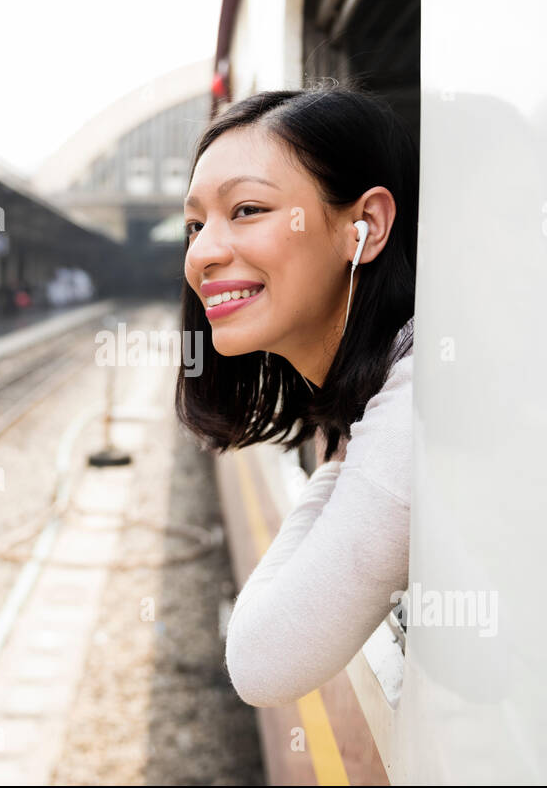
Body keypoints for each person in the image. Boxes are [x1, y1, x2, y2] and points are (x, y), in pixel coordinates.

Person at [176, 83, 418, 707]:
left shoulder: (422, 404)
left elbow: (262, 663)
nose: (202, 253)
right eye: (195, 225)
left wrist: (340, 457)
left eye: (248, 210)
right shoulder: (394, 375)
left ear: (364, 226)